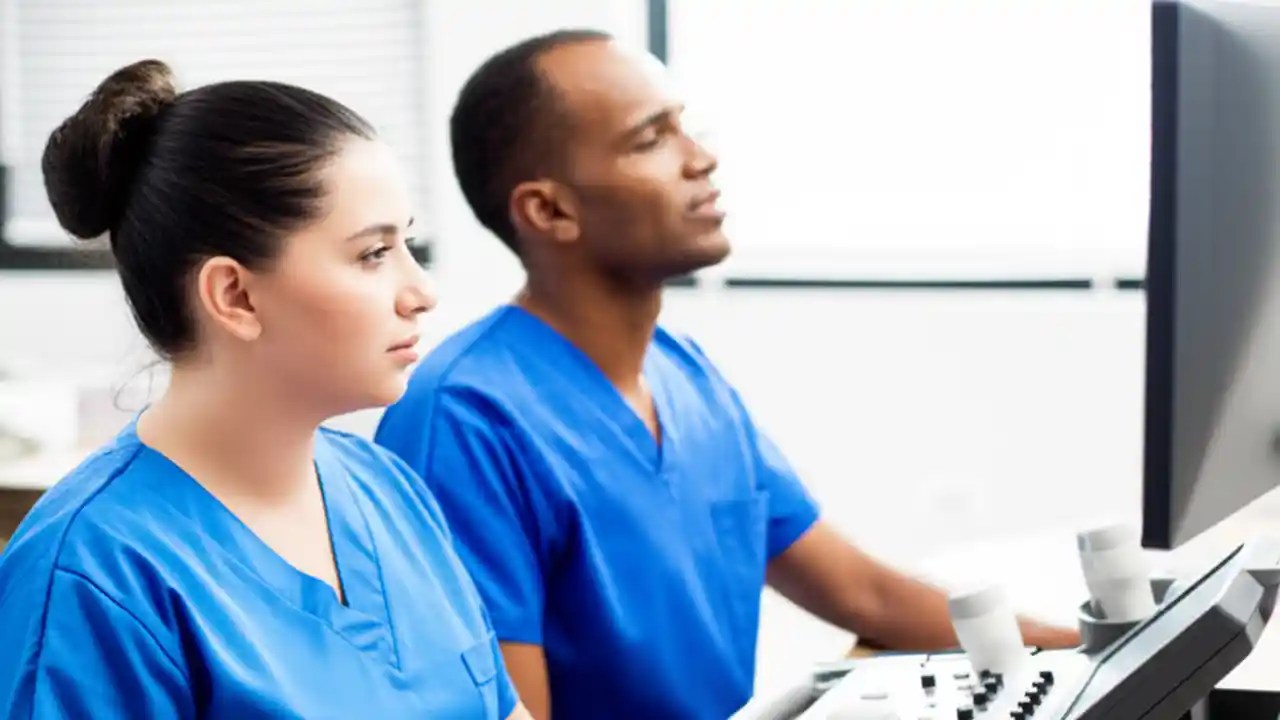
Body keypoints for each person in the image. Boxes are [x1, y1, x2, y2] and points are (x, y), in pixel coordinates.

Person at [374, 30, 1081, 720]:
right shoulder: (463, 418)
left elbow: (863, 593)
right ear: (548, 209)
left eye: (688, 128)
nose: (702, 159)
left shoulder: (685, 375)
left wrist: (1091, 646)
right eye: (650, 140)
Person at [0, 59, 531, 720]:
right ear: (236, 295)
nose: (422, 292)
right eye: (372, 254)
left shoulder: (389, 491)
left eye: (409, 245)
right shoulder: (92, 577)